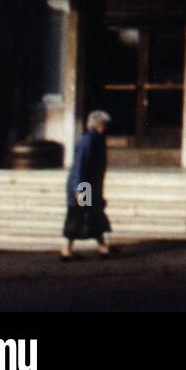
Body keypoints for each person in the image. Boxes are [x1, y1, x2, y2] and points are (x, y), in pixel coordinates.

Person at [61, 110, 114, 260]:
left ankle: (102, 245)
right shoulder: (89, 141)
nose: (105, 127)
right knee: (79, 215)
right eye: (103, 124)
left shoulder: (97, 140)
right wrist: (79, 189)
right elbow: (79, 166)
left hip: (90, 185)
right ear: (96, 125)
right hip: (84, 185)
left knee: (93, 214)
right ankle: (67, 248)